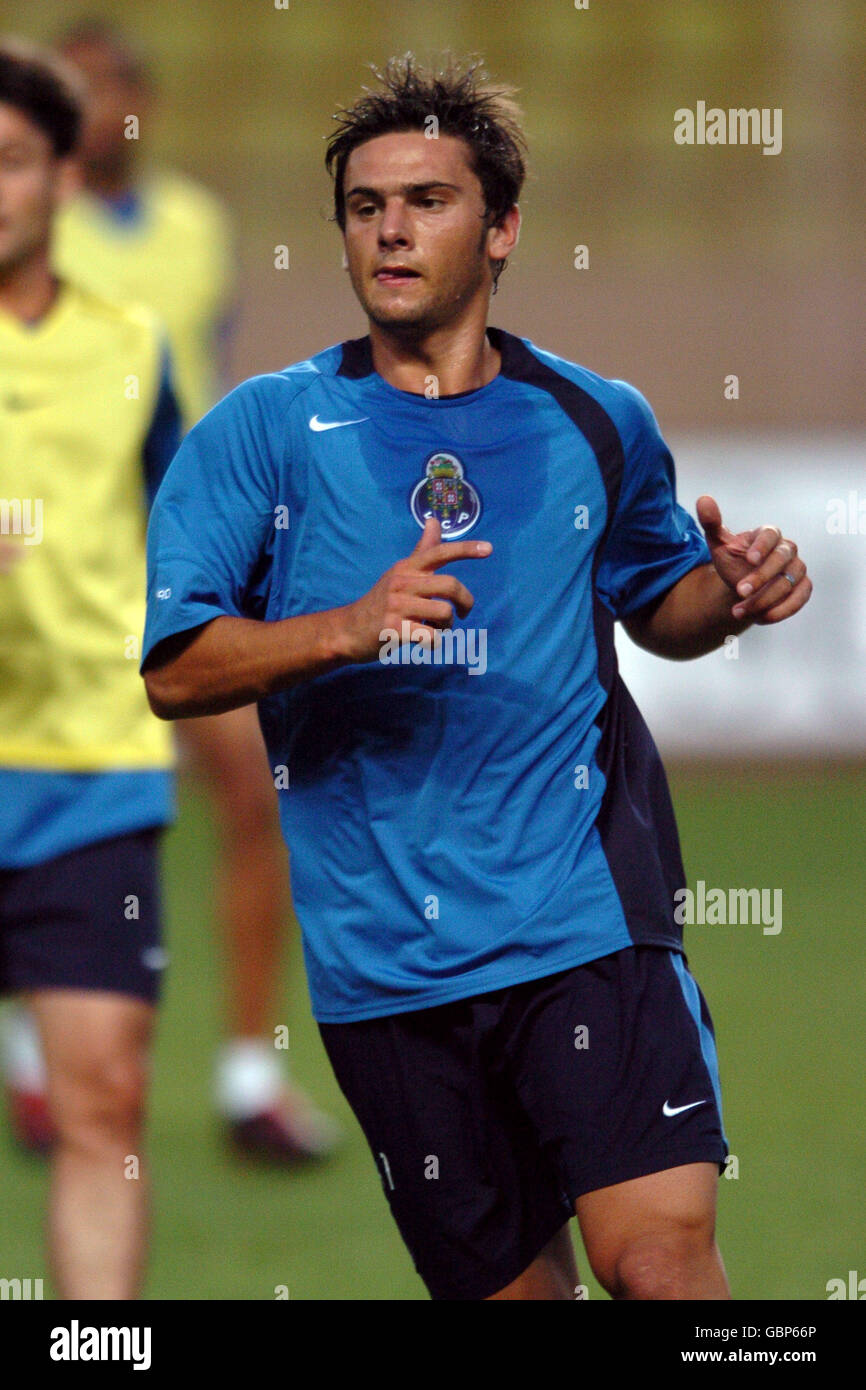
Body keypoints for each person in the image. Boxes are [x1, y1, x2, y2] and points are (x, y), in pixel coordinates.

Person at [139, 56, 812, 1300]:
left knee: (661, 1266)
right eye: (363, 205)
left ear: (500, 228)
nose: (389, 228)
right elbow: (176, 670)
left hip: (582, 923)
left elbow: (659, 604)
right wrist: (345, 627)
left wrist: (728, 594)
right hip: (382, 962)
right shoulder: (259, 433)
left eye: (428, 200)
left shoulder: (594, 418)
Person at [0, 20, 337, 1163]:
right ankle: (39, 1049)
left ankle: (248, 1070)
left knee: (257, 791)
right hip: (52, 557)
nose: (104, 113)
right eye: (79, 95)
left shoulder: (197, 225)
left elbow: (202, 376)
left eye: (117, 90)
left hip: (178, 551)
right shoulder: (34, 218)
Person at [0, 38, 179, 1297]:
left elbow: (190, 536)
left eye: (9, 162)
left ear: (62, 176)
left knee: (103, 1105)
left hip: (89, 773)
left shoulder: (134, 348)